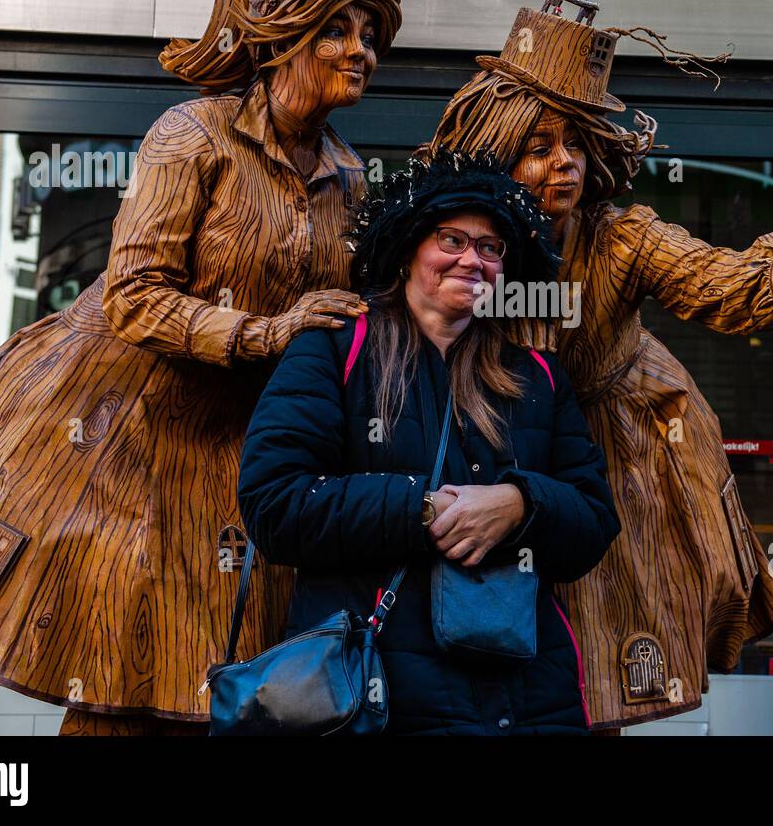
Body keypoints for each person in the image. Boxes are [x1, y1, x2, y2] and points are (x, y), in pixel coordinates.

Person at [0, 0, 401, 734]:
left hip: (248, 463)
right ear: (283, 39)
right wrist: (262, 331)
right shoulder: (190, 136)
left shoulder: (348, 175)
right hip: (130, 445)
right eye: (338, 28)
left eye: (369, 33)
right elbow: (134, 295)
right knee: (125, 680)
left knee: (230, 692)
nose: (362, 50)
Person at [422, 0, 773, 730]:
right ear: (497, 148)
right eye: (540, 146)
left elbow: (726, 284)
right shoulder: (455, 244)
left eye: (576, 144)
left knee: (593, 677)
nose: (565, 164)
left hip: (606, 469)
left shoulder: (621, 239)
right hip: (483, 463)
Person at [237, 152, 619, 734]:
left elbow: (594, 520)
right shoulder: (334, 353)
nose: (473, 259)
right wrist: (421, 508)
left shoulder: (537, 377)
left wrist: (519, 505)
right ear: (408, 249)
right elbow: (276, 504)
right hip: (374, 697)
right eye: (452, 239)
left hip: (528, 701)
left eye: (492, 248)